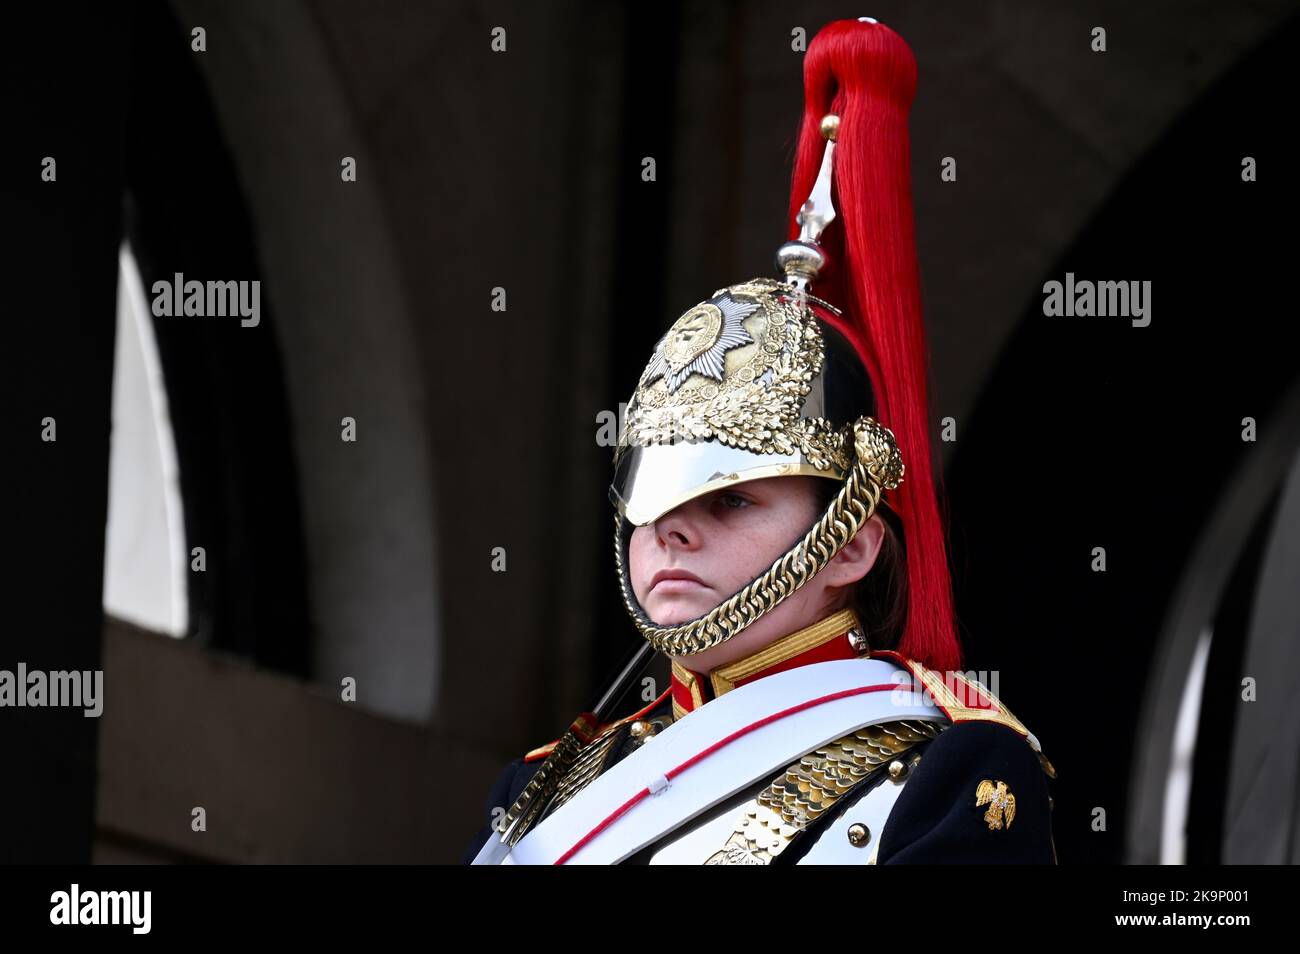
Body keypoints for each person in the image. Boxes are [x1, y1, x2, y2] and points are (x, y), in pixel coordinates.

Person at [464, 17, 1057, 865]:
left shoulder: (949, 771)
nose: (670, 528)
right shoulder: (542, 793)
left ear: (850, 543)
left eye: (731, 498)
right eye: (656, 495)